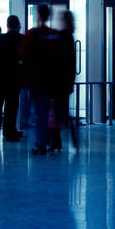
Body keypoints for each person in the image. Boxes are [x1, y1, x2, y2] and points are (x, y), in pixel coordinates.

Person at [19, 4, 61, 155]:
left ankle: (39, 143)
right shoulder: (55, 34)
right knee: (44, 112)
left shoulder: (31, 34)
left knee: (33, 113)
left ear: (37, 16)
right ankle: (43, 141)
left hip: (33, 80)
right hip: (49, 80)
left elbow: (22, 56)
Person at [0, 16, 24, 141]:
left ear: (7, 25)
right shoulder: (21, 39)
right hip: (14, 79)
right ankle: (9, 131)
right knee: (12, 105)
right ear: (18, 25)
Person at [48, 9, 77, 153]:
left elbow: (55, 59)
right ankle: (58, 139)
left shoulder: (61, 36)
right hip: (66, 82)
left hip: (57, 81)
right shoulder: (70, 36)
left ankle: (55, 140)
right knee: (60, 111)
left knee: (54, 111)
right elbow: (71, 63)